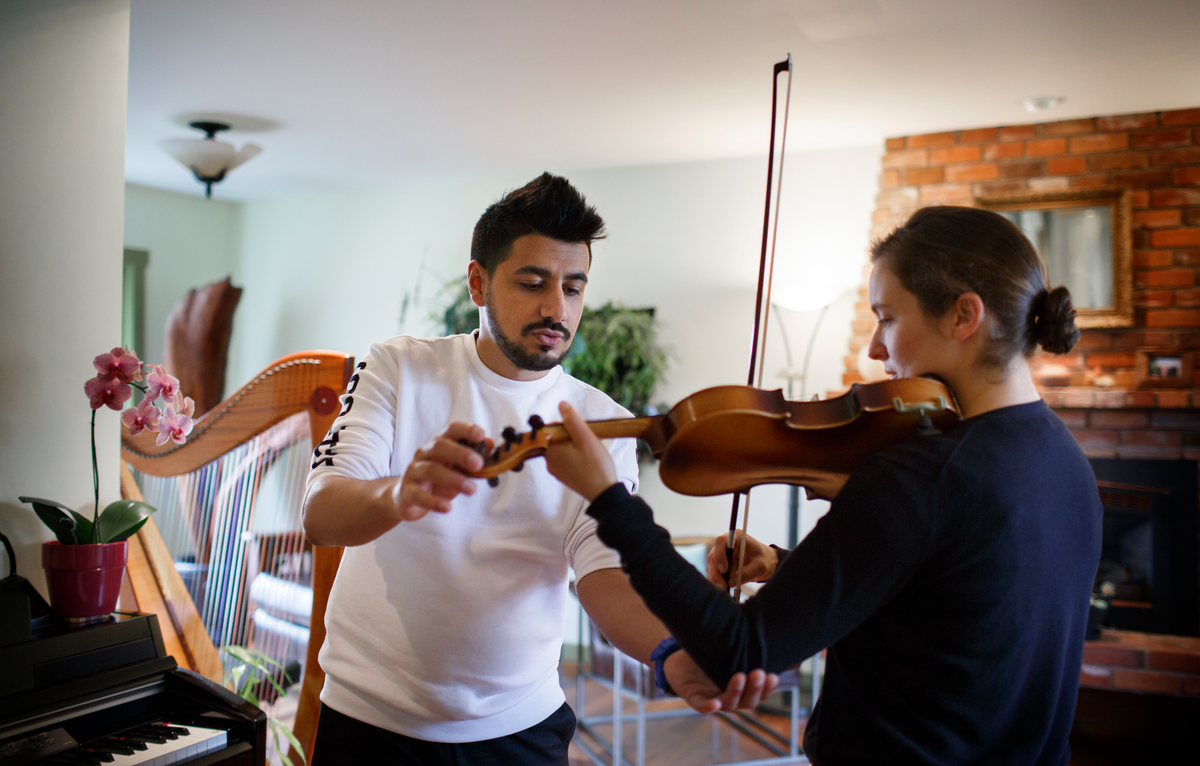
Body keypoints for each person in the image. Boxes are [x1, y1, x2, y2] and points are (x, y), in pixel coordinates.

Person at [545, 205, 1103, 765]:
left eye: (887, 318)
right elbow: (947, 594)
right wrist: (784, 567)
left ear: (964, 316)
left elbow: (738, 651)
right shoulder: (1068, 463)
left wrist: (609, 501)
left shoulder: (919, 477)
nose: (876, 349)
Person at [301, 173, 759, 765]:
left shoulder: (605, 423)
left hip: (522, 729)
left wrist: (671, 654)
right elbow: (322, 512)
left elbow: (604, 578)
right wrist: (399, 495)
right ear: (478, 282)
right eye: (533, 283)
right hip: (370, 720)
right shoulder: (398, 367)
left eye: (573, 287)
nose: (556, 308)